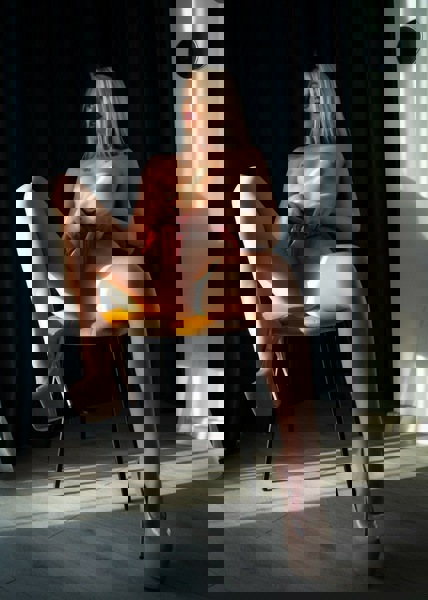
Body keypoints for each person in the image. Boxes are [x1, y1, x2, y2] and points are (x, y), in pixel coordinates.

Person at [234, 63, 384, 575]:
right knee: (254, 269)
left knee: (285, 269)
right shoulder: (297, 163)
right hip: (291, 267)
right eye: (312, 95)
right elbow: (284, 220)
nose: (317, 104)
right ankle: (268, 366)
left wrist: (292, 231)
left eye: (323, 94)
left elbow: (338, 226)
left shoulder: (335, 164)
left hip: (320, 265)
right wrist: (271, 228)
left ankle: (273, 360)